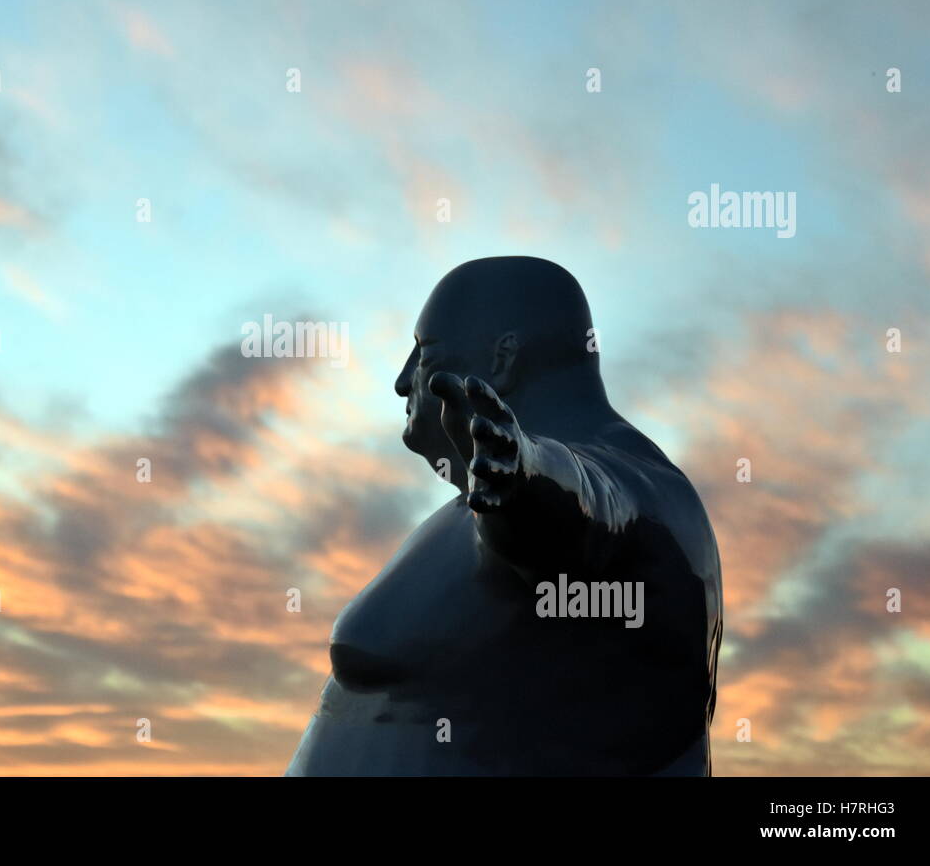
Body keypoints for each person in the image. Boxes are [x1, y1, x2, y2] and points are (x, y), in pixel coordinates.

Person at [286, 257, 723, 775]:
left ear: (502, 360)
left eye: (424, 352)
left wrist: (527, 475)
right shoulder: (463, 513)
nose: (403, 382)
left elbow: (597, 508)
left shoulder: (639, 484)